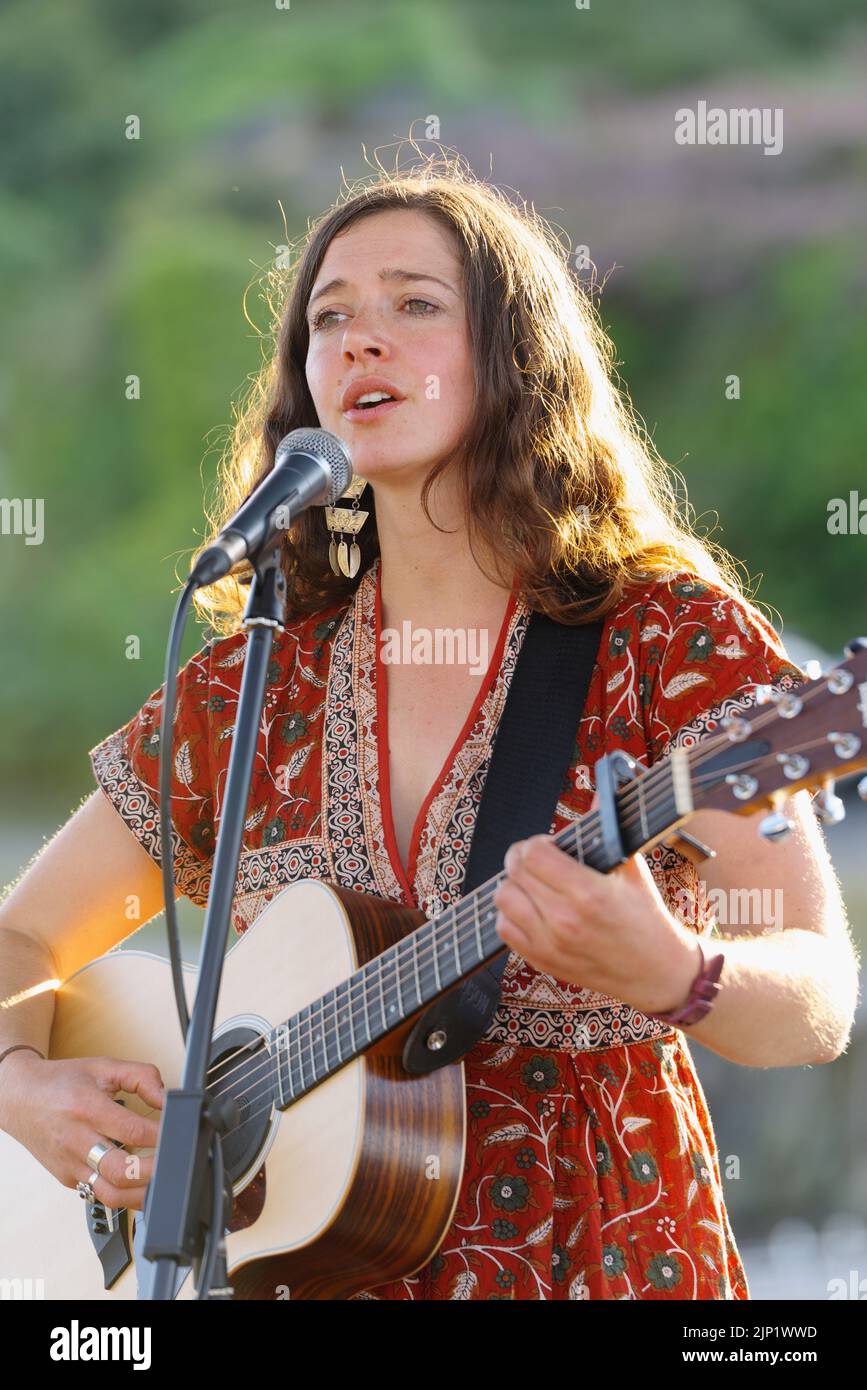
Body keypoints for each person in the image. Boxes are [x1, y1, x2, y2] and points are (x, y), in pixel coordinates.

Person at [0, 154, 859, 1301]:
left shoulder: (664, 640)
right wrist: (24, 1086)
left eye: (414, 304)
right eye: (329, 318)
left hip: (596, 1256)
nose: (361, 340)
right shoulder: (248, 691)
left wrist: (676, 971)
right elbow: (22, 942)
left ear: (515, 356)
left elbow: (818, 1001)